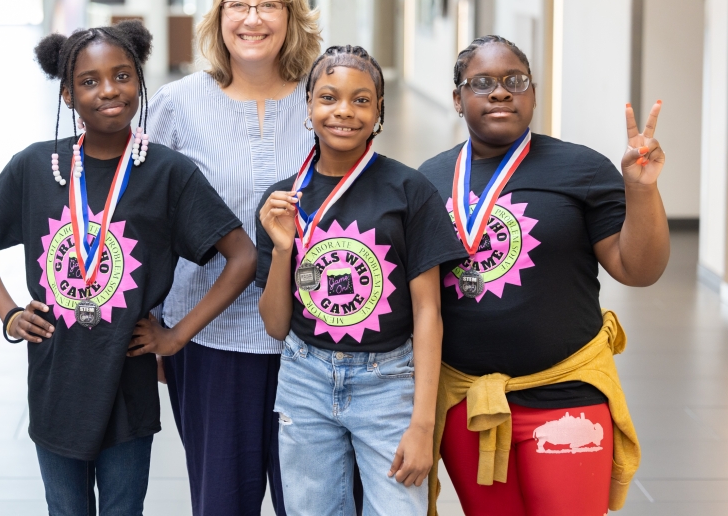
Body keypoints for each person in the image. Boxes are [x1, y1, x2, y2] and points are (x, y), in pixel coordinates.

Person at [0, 20, 257, 516]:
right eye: (89, 81)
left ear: (140, 81)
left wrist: (177, 335)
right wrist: (8, 311)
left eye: (121, 76)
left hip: (128, 382)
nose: (108, 91)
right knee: (65, 508)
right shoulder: (36, 166)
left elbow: (243, 255)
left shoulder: (167, 172)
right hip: (56, 380)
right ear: (67, 96)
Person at [418, 35, 667, 516]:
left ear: (533, 92)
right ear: (457, 99)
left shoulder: (581, 169)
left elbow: (639, 269)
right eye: (483, 83)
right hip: (469, 402)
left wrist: (642, 191)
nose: (500, 92)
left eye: (515, 81)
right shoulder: (428, 180)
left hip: (566, 395)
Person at [255, 45, 466, 516]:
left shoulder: (410, 191)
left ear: (379, 112)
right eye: (328, 97)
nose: (344, 111)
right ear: (308, 107)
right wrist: (283, 249)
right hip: (304, 377)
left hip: (388, 381)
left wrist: (422, 424)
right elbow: (274, 325)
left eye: (361, 100)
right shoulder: (281, 201)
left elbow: (429, 312)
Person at [146, 0, 322, 516]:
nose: (253, 18)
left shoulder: (323, 100)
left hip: (311, 341)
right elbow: (148, 219)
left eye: (269, 5)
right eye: (239, 5)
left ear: (292, 16)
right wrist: (155, 324)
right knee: (223, 501)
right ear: (219, 16)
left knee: (311, 502)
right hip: (210, 341)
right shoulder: (177, 105)